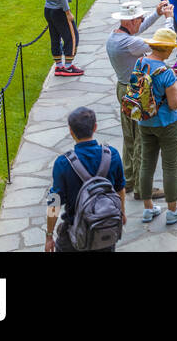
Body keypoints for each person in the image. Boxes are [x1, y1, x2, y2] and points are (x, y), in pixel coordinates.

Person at [107, 0, 172, 200]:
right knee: (141, 139)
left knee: (129, 136)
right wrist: (169, 20)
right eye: (140, 19)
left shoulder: (115, 37)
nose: (142, 21)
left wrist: (156, 13)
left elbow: (138, 30)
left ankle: (128, 179)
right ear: (132, 20)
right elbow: (161, 44)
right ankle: (142, 188)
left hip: (122, 88)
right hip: (136, 92)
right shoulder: (129, 43)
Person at [45, 107, 126, 252]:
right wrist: (122, 213)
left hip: (74, 234)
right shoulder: (112, 155)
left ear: (71, 131)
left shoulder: (63, 163)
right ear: (95, 127)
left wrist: (49, 235)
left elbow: (54, 203)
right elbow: (120, 188)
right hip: (104, 230)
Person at [136, 26, 177, 226]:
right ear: (167, 50)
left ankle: (148, 209)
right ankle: (172, 210)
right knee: (169, 166)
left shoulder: (140, 62)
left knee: (146, 164)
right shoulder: (166, 73)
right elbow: (174, 103)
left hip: (144, 121)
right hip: (166, 124)